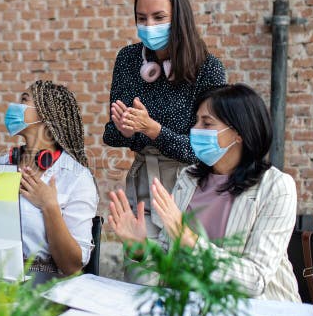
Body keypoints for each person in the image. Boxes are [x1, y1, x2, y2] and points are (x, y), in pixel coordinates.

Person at [107, 84, 301, 302]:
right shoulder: (189, 178)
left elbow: (255, 280)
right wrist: (140, 248)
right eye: (196, 122)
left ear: (239, 133)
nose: (195, 130)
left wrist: (187, 237)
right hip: (194, 308)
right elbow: (169, 256)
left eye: (206, 123)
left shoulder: (276, 187)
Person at [103, 0, 226, 237]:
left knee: (184, 274)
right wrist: (126, 132)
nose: (149, 25)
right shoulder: (128, 59)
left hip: (190, 189)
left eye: (159, 17)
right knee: (140, 272)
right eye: (141, 18)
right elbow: (110, 133)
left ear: (178, 17)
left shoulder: (208, 69)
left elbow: (206, 150)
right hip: (143, 186)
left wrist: (153, 130)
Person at [0, 81, 98, 276]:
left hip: (43, 282)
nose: (15, 107)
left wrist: (49, 206)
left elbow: (73, 267)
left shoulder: (76, 178)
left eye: (24, 100)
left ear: (46, 115)